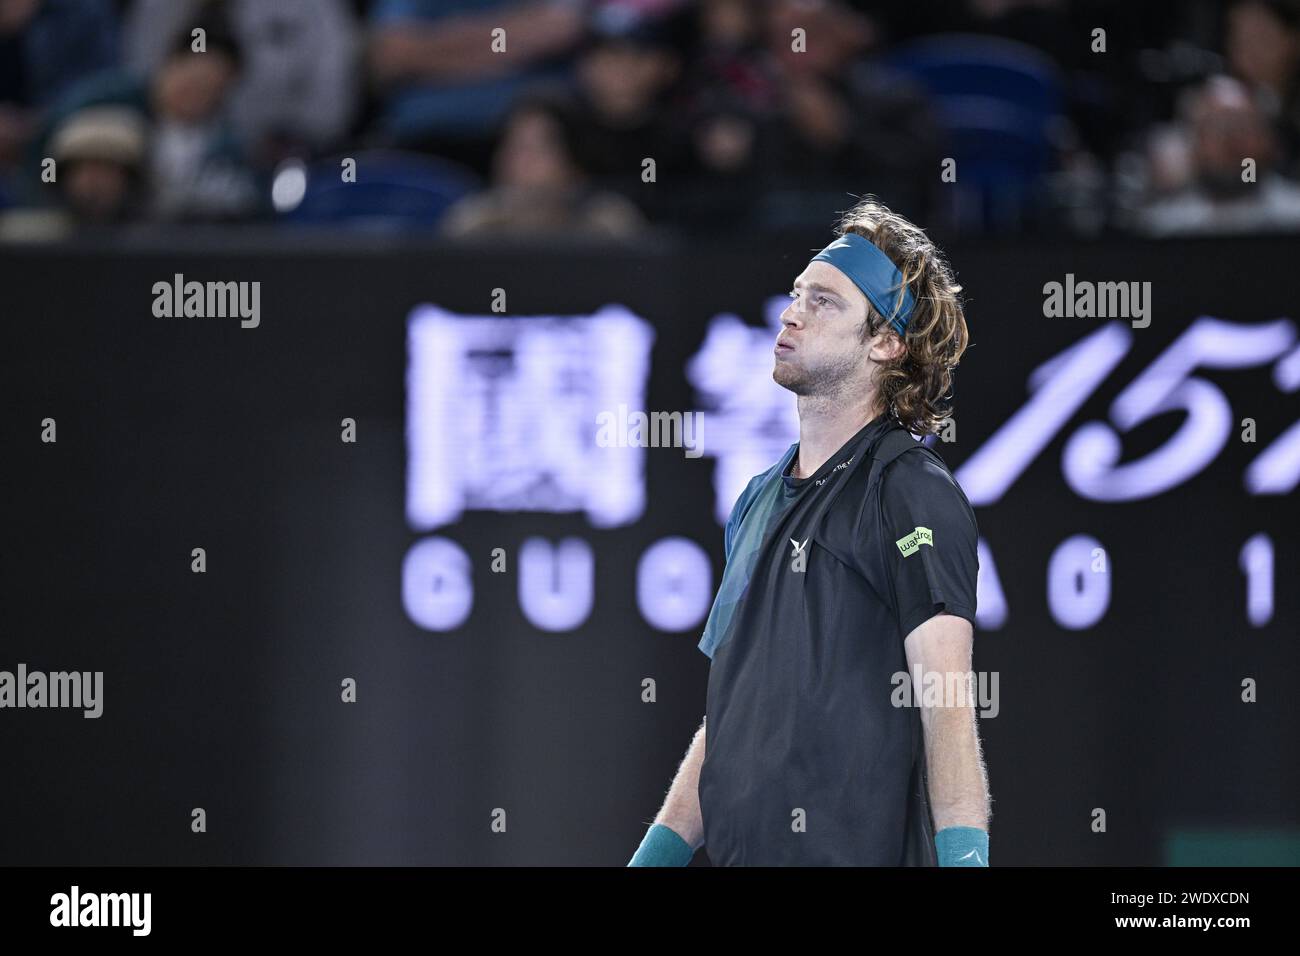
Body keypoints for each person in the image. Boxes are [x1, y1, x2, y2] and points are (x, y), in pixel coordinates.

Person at [629, 196, 990, 866]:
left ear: (884, 342)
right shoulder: (756, 500)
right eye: (797, 294)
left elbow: (946, 704)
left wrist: (968, 860)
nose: (792, 312)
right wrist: (655, 858)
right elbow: (733, 719)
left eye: (824, 301)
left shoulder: (911, 490)